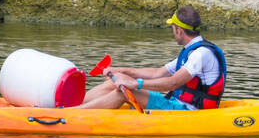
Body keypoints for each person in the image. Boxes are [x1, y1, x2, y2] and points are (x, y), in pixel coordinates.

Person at [75, 6, 226, 110]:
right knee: (115, 83)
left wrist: (135, 84)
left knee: (123, 91)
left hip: (187, 109)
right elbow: (158, 73)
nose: (173, 32)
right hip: (176, 103)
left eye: (173, 29)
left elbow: (172, 83)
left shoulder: (201, 54)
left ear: (179, 30)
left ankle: (72, 115)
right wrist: (120, 71)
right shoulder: (191, 51)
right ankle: (70, 106)